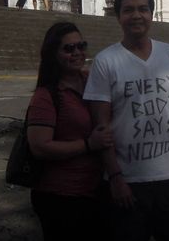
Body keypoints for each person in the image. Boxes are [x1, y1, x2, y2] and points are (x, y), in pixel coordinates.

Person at [84, 0, 169, 241]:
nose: (136, 15)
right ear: (118, 17)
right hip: (129, 180)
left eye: (143, 9)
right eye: (128, 10)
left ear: (151, 14)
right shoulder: (106, 61)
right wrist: (115, 177)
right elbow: (101, 126)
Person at [27, 22, 114, 241]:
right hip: (61, 196)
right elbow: (39, 147)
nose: (77, 53)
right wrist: (88, 144)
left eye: (81, 46)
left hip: (95, 189)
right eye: (68, 49)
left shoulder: (91, 79)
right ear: (53, 54)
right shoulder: (46, 95)